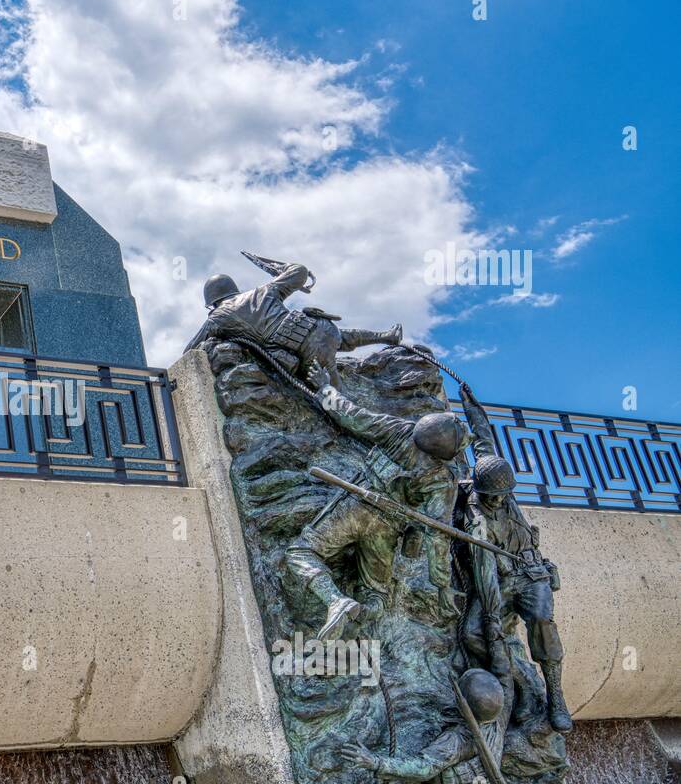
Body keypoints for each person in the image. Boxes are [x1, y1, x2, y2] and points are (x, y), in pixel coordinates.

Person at [285, 364, 470, 639]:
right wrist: (441, 585)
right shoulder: (444, 479)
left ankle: (336, 601)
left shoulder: (401, 432)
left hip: (354, 506)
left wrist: (325, 387)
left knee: (300, 553)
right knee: (378, 595)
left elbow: (351, 415)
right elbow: (438, 537)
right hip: (387, 529)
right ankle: (360, 612)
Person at [456, 383, 572, 732]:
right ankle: (522, 687)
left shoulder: (499, 482)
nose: (499, 502)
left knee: (542, 622)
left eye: (504, 495)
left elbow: (483, 440)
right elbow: (485, 572)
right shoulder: (475, 516)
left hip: (530, 572)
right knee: (474, 634)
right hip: (499, 581)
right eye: (493, 496)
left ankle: (556, 696)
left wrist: (472, 406)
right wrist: (493, 614)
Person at [340, 668, 511, 784]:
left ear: (462, 703)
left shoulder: (456, 740)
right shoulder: (500, 719)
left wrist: (375, 762)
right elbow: (505, 676)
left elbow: (424, 767)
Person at [184, 265, 402, 389]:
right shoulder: (263, 291)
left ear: (212, 302)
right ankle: (387, 336)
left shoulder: (217, 318)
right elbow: (300, 271)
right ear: (234, 289)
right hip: (320, 328)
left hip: (303, 351)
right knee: (344, 337)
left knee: (335, 396)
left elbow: (190, 352)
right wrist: (279, 270)